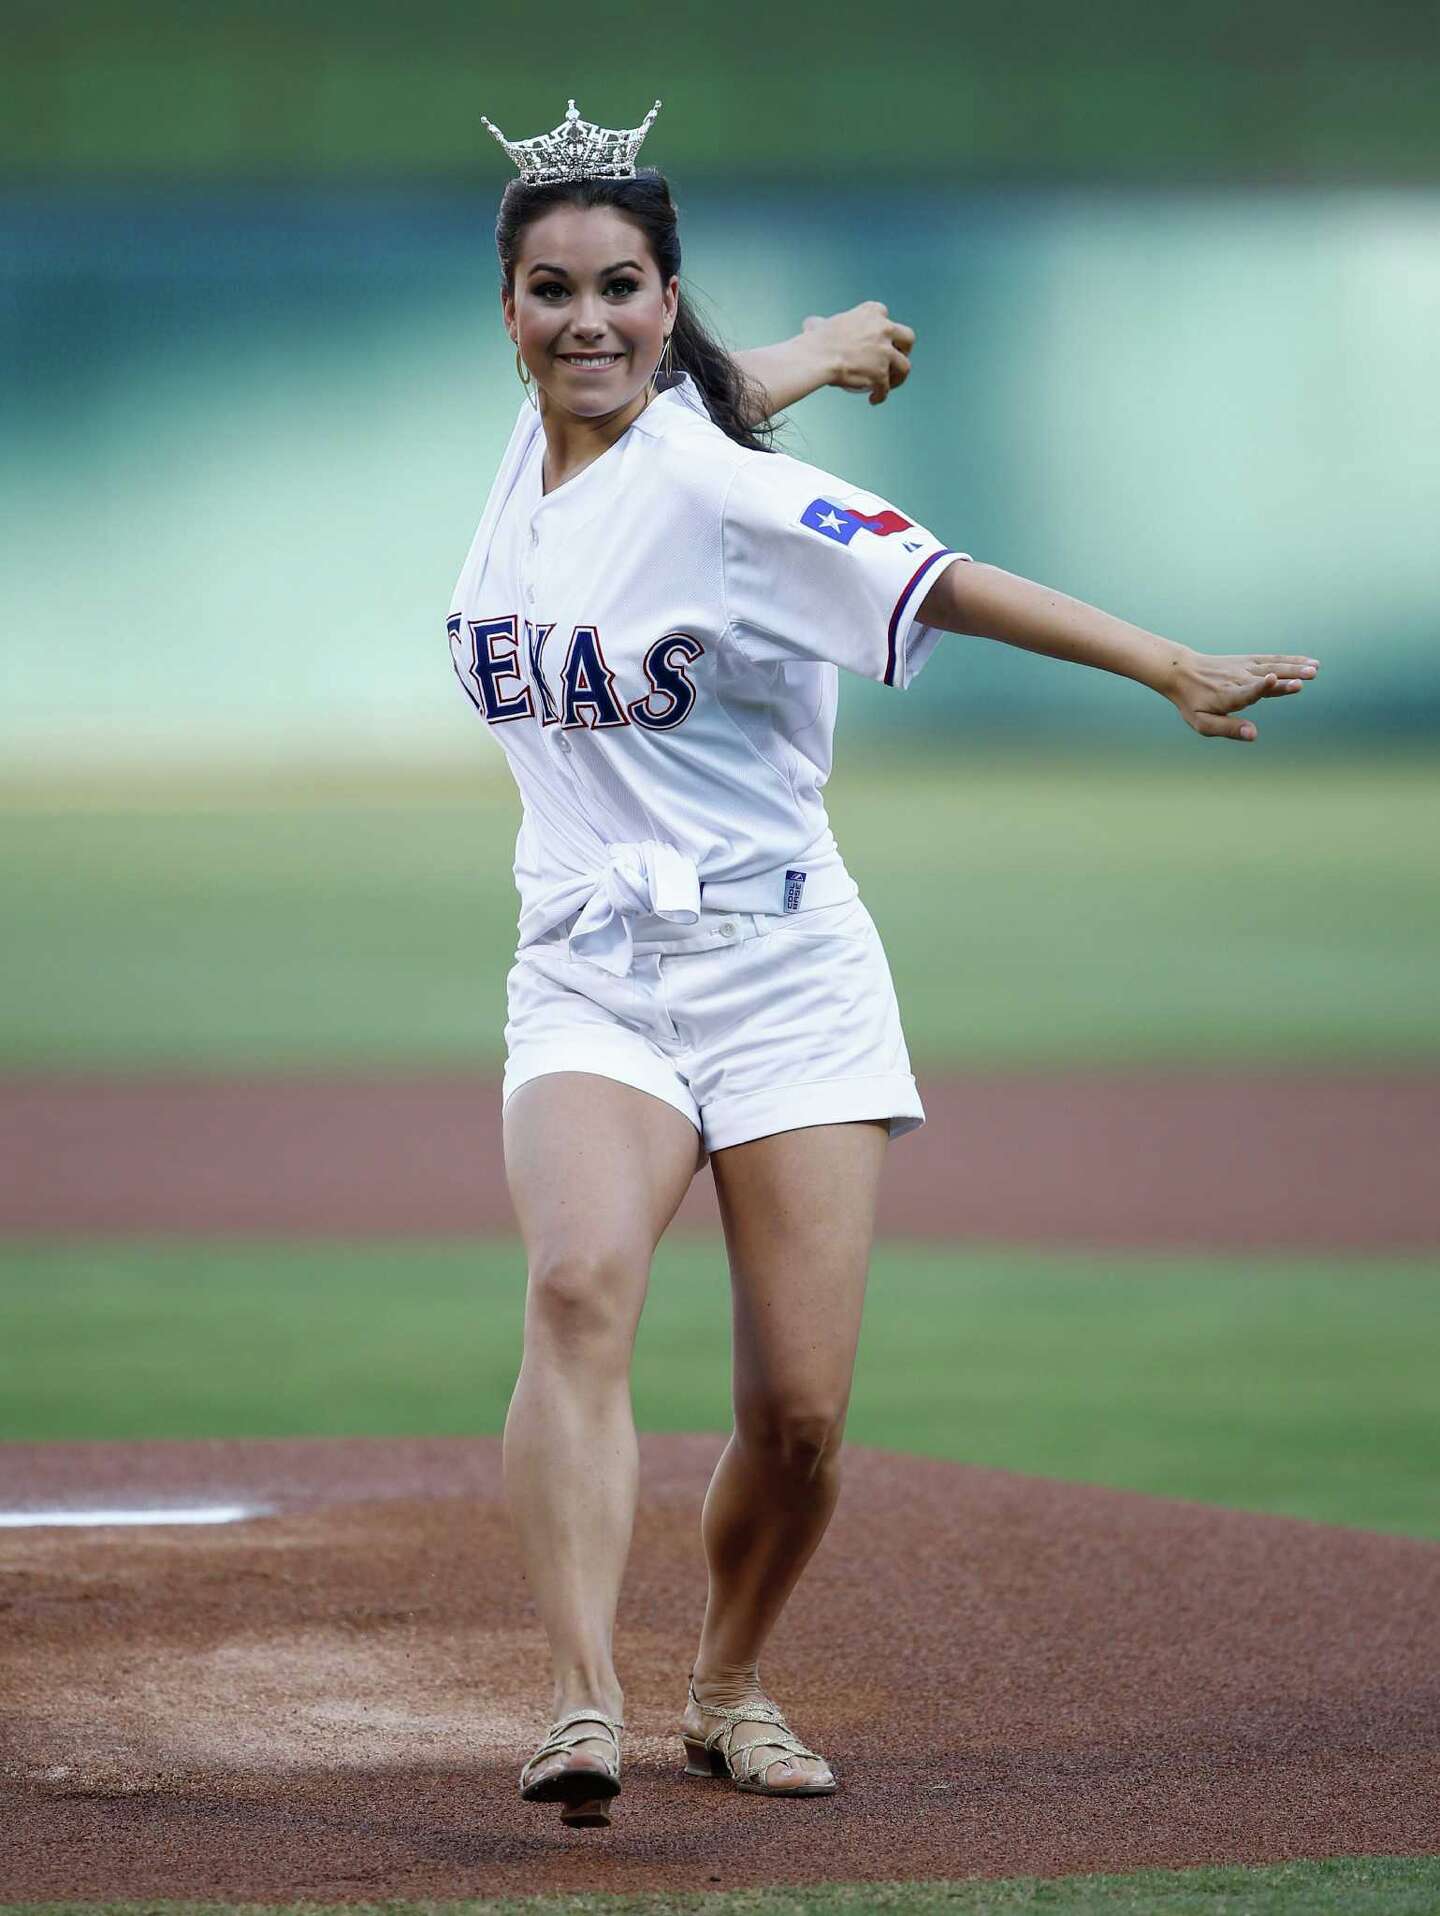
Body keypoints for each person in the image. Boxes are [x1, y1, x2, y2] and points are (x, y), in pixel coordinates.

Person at [454, 98, 1321, 1829]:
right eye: (552, 292)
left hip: (787, 975)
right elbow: (712, 380)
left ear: (665, 290)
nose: (587, 321)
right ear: (511, 314)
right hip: (590, 966)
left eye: (622, 289)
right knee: (574, 1288)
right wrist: (830, 342)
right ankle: (579, 1701)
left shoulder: (733, 487)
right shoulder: (553, 449)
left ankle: (725, 1685)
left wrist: (1166, 663)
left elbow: (943, 574)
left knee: (801, 1415)